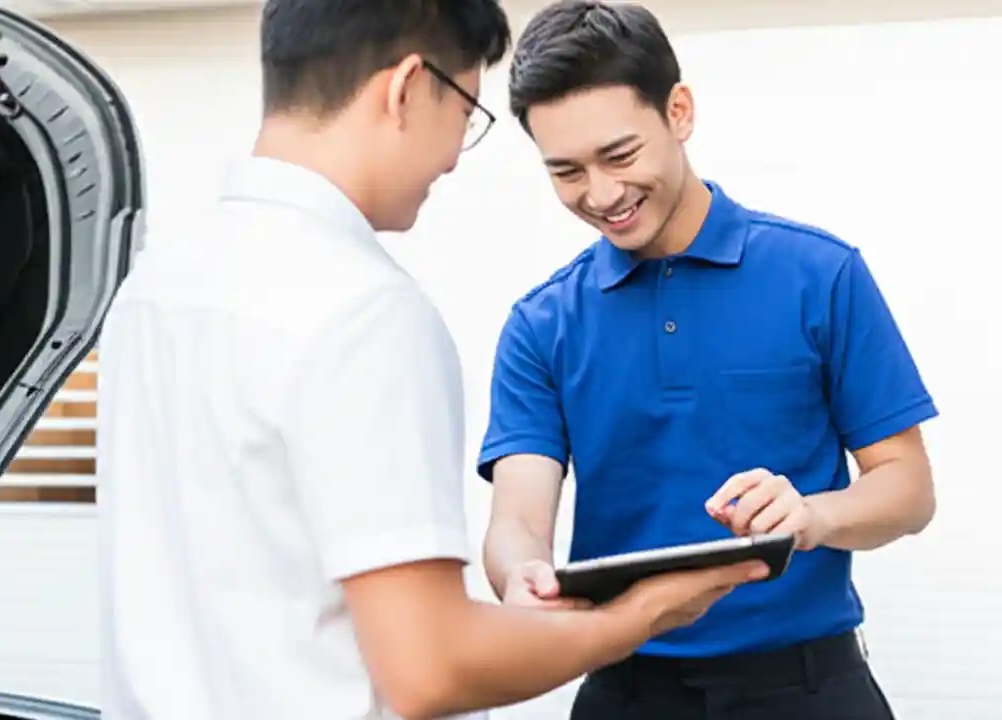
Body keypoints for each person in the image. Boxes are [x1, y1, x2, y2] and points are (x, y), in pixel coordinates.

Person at [95, 1, 770, 719]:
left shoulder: (154, 291)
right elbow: (430, 669)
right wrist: (642, 616)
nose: (452, 157)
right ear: (409, 88)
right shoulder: (363, 310)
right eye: (467, 114)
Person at [477, 2, 939, 718]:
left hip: (811, 691)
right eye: (566, 171)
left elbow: (908, 490)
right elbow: (518, 521)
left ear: (680, 112)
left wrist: (810, 515)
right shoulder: (542, 324)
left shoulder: (821, 274)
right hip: (625, 691)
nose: (600, 195)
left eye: (620, 155)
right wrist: (521, 577)